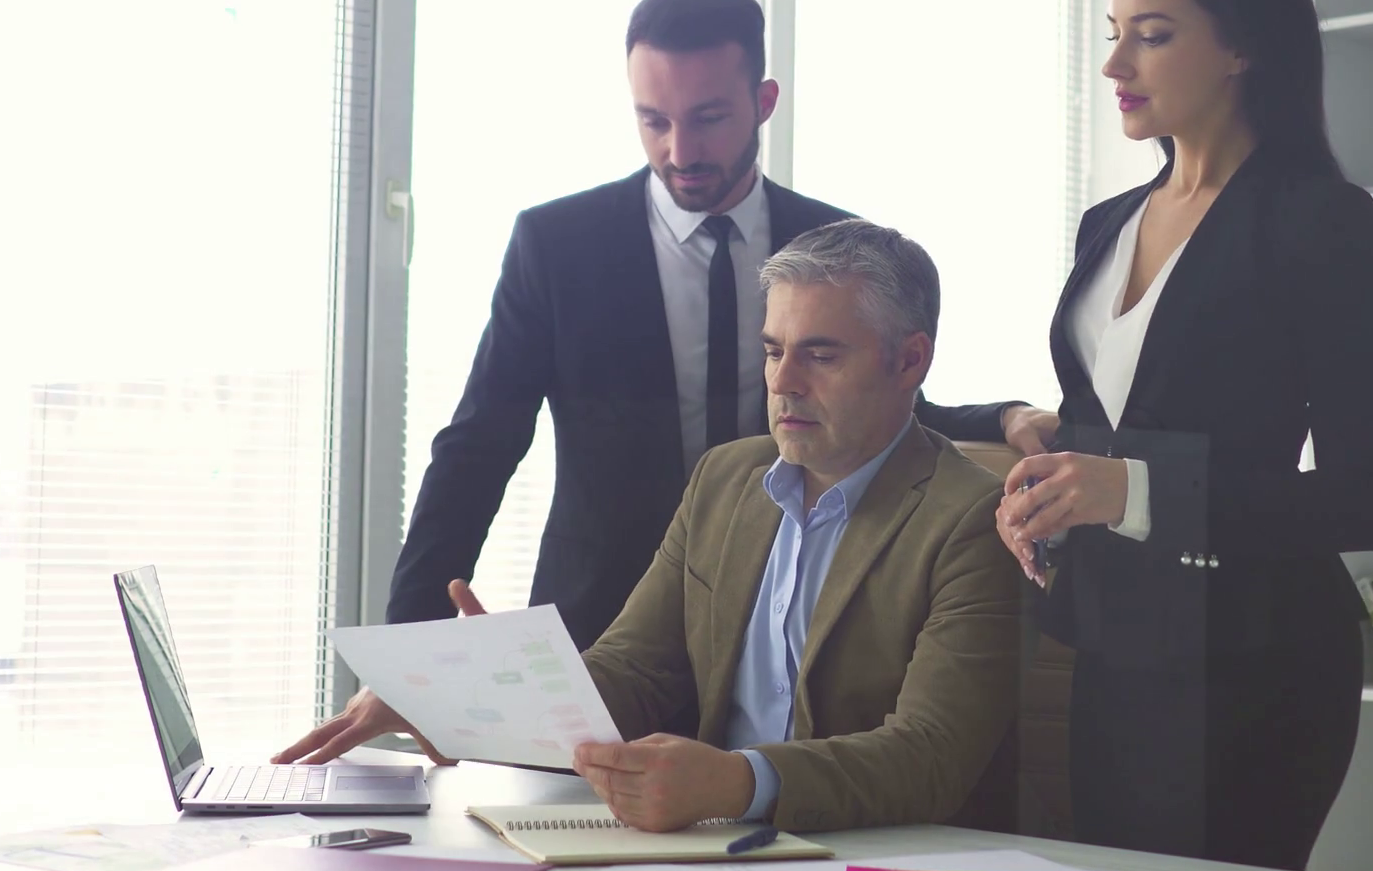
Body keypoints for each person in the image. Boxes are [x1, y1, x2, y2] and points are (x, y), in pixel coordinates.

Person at [278, 220, 1022, 834]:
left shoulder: (970, 518)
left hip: (877, 865)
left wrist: (739, 782)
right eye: (772, 350)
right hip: (711, 850)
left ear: (909, 361)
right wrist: (460, 691)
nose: (783, 381)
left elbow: (930, 757)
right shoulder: (726, 480)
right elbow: (634, 670)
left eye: (821, 355)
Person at [387, 0, 1055, 653]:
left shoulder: (833, 242)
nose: (680, 152)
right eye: (654, 120)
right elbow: (479, 446)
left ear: (763, 102)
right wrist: (408, 651)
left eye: (707, 118)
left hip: (783, 618)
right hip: (601, 623)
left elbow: (875, 403)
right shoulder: (557, 244)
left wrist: (1003, 416)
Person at [994, 0, 1373, 871]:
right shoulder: (1108, 222)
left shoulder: (1321, 221)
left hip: (1259, 663)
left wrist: (1129, 490)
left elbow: (1370, 499)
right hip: (1112, 650)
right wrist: (1050, 481)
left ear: (1241, 47)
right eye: (1114, 35)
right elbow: (1118, 419)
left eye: (1154, 35)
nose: (1116, 67)